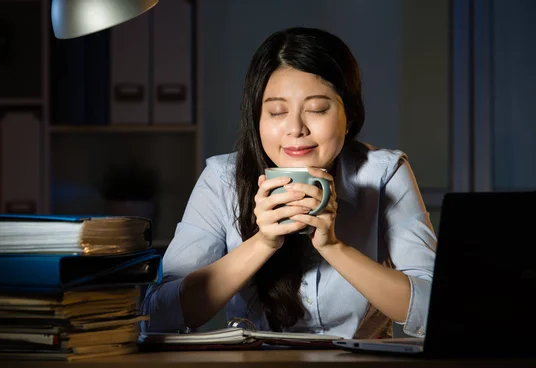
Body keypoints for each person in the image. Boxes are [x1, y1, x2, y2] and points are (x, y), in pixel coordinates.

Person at [141, 27, 437, 339]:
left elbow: (436, 312)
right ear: (257, 118)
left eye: (317, 109)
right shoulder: (222, 179)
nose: (295, 129)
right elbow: (155, 315)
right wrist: (262, 243)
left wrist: (333, 247)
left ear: (348, 114)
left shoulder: (384, 172)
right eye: (277, 111)